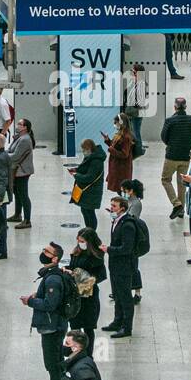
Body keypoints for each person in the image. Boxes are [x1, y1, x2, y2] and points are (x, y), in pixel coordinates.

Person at [22, 242, 69, 380]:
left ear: (55, 258)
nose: (43, 253)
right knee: (55, 365)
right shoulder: (52, 274)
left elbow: (51, 304)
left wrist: (31, 301)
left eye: (47, 252)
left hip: (52, 326)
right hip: (55, 324)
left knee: (53, 366)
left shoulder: (53, 278)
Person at [100, 195, 139, 339]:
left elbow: (126, 248)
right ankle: (117, 322)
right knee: (117, 295)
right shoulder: (117, 221)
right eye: (111, 205)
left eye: (114, 206)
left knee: (125, 297)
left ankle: (127, 327)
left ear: (122, 208)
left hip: (124, 266)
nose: (111, 208)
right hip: (116, 265)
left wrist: (108, 249)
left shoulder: (127, 225)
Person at [67, 229, 107, 352]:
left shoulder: (97, 256)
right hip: (76, 296)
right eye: (78, 241)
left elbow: (100, 276)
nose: (79, 243)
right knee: (75, 327)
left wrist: (79, 275)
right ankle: (76, 352)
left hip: (89, 297)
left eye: (82, 241)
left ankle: (88, 354)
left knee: (88, 328)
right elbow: (72, 266)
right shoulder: (76, 252)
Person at [160, 97, 191, 218]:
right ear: (186, 107)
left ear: (175, 107)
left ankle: (176, 204)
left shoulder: (170, 121)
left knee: (166, 180)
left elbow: (164, 137)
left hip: (171, 155)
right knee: (182, 182)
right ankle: (181, 209)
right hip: (186, 156)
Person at [69, 139, 106, 231]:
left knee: (89, 212)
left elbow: (89, 177)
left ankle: (91, 232)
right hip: (88, 191)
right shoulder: (91, 157)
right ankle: (88, 230)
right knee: (85, 210)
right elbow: (86, 168)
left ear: (89, 148)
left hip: (91, 191)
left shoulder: (96, 161)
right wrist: (77, 170)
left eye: (84, 150)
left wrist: (76, 175)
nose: (83, 152)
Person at [7, 118, 36, 230]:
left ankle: (27, 220)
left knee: (23, 195)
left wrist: (2, 155)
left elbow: (15, 156)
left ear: (25, 127)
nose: (17, 125)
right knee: (17, 193)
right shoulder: (19, 137)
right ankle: (17, 215)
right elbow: (11, 151)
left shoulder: (25, 140)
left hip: (22, 171)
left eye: (20, 124)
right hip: (17, 171)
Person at [103, 114, 134, 194]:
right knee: (119, 190)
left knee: (122, 191)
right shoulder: (119, 134)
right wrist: (108, 141)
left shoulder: (126, 137)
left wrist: (111, 150)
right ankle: (122, 205)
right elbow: (115, 146)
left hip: (122, 169)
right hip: (117, 167)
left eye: (115, 122)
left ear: (121, 122)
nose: (114, 124)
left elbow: (124, 154)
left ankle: (125, 205)